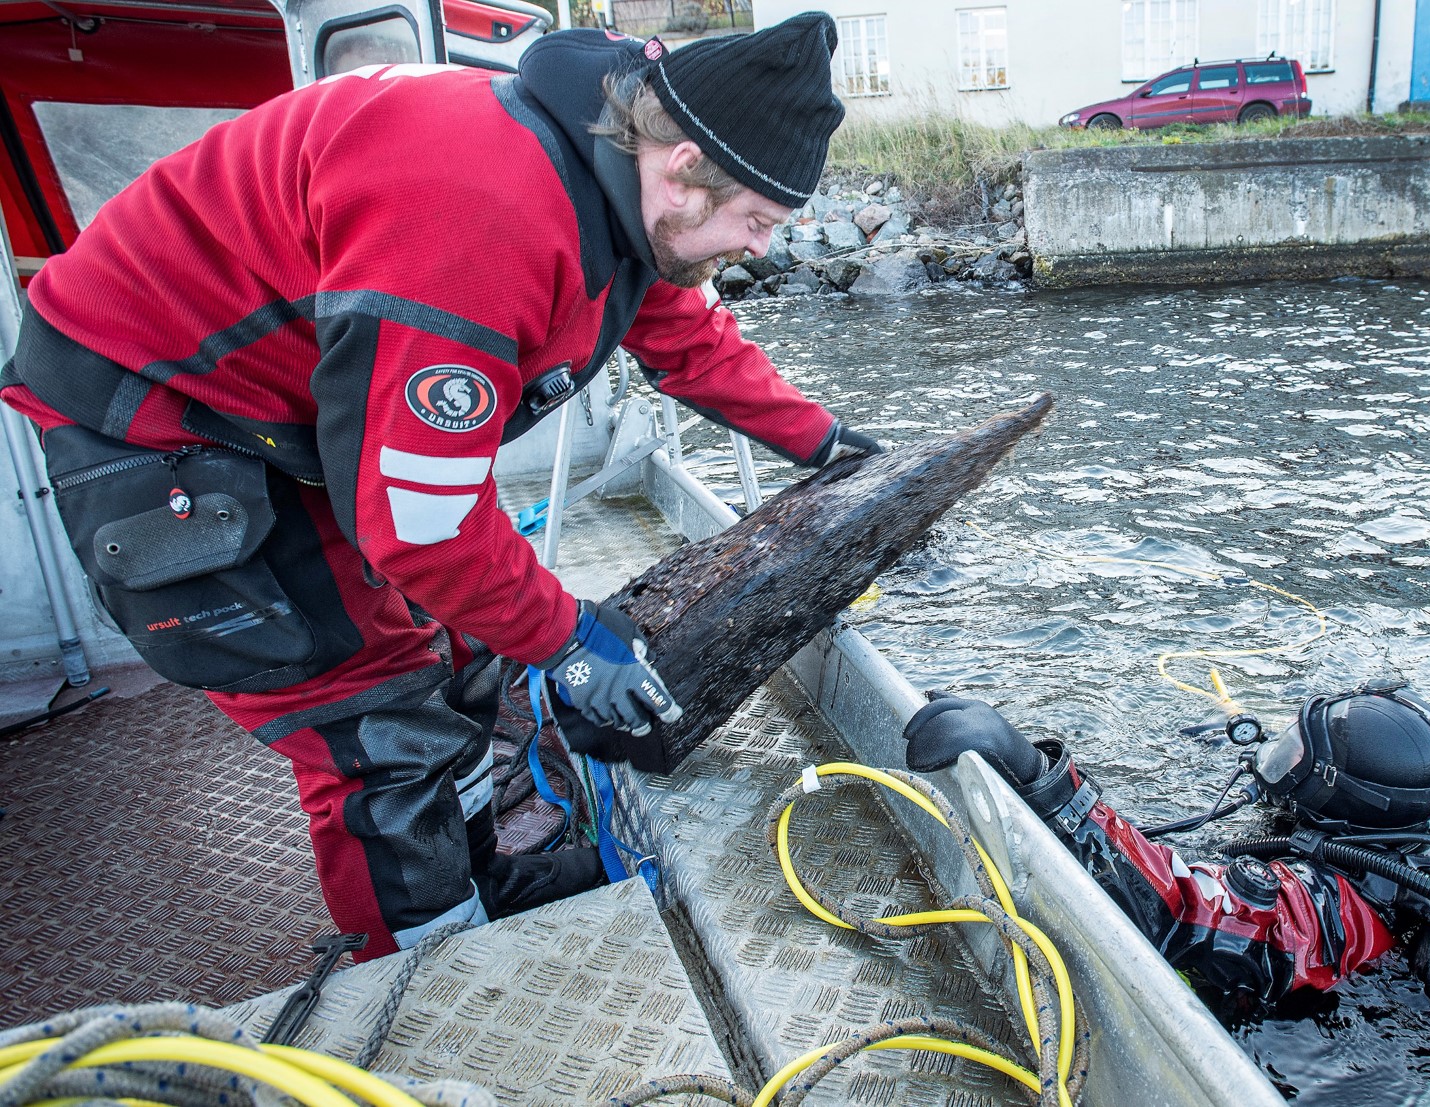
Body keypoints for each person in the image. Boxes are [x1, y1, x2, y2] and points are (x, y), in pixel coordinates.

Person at [0, 13, 880, 960]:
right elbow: (420, 526)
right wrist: (572, 640)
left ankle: (474, 868)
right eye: (754, 222)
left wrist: (827, 443)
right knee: (370, 721)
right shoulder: (477, 218)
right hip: (161, 406)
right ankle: (431, 969)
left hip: (293, 403)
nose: (753, 247)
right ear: (682, 169)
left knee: (458, 649)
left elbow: (686, 337)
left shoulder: (619, 181)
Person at [903, 683, 1430, 1023]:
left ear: (1340, 791)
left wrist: (1039, 774)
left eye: (1294, 755)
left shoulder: (1327, 903)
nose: (1277, 766)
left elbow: (1177, 909)